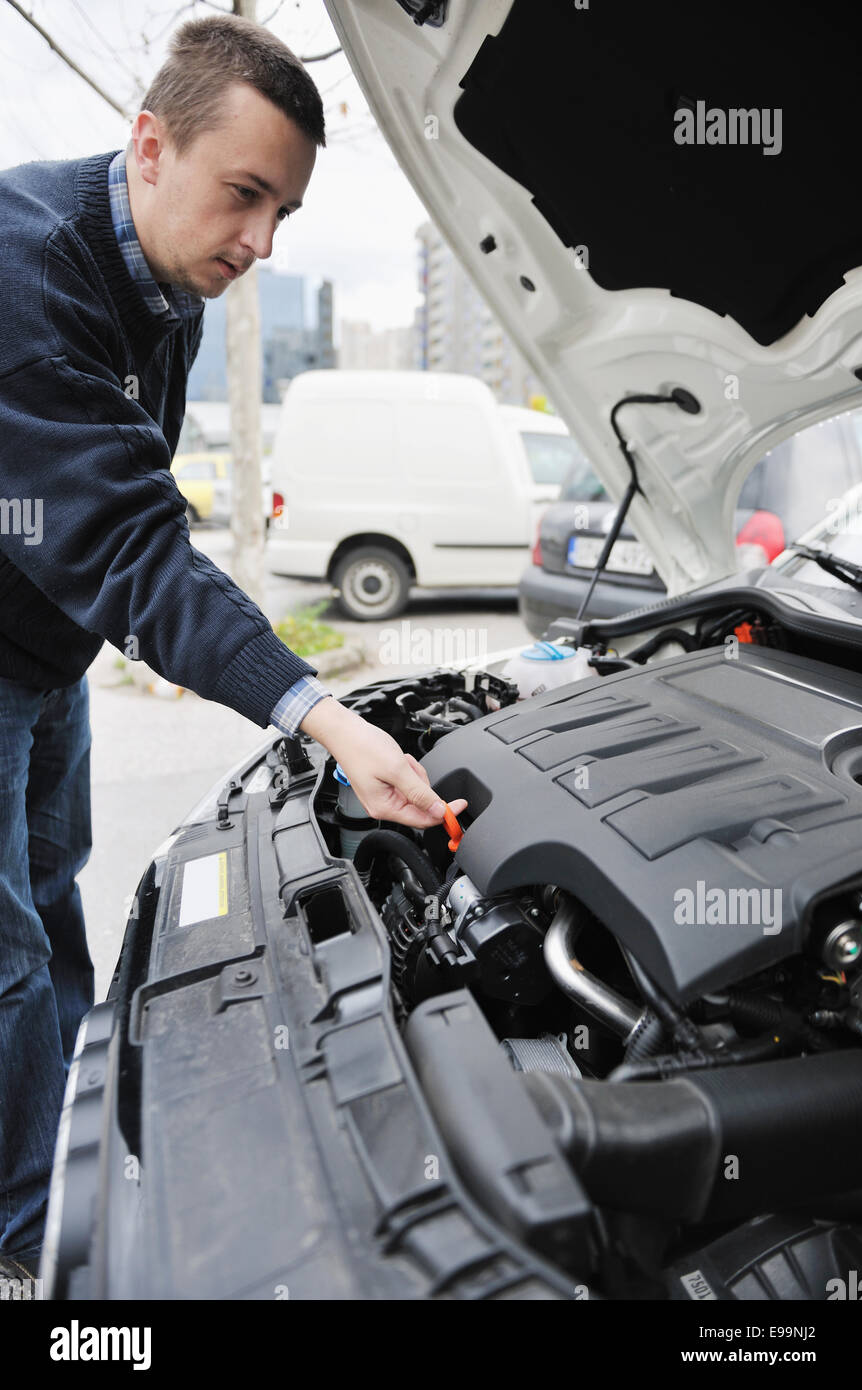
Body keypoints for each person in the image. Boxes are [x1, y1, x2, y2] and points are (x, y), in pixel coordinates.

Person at [0, 12, 466, 1281]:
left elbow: (129, 492)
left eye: (285, 214)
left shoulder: (167, 271)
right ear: (151, 146)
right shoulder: (24, 275)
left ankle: (74, 1143)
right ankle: (35, 1246)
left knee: (53, 897)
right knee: (6, 960)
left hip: (42, 647)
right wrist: (324, 713)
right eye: (244, 195)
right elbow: (131, 549)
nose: (261, 244)